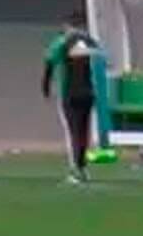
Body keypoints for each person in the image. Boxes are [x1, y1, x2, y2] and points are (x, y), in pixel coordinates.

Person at [41, 14, 111, 184]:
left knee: (73, 132)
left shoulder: (63, 41)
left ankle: (76, 171)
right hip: (87, 93)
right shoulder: (88, 40)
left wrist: (45, 88)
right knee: (83, 132)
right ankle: (83, 168)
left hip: (70, 93)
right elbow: (103, 58)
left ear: (67, 25)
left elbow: (49, 63)